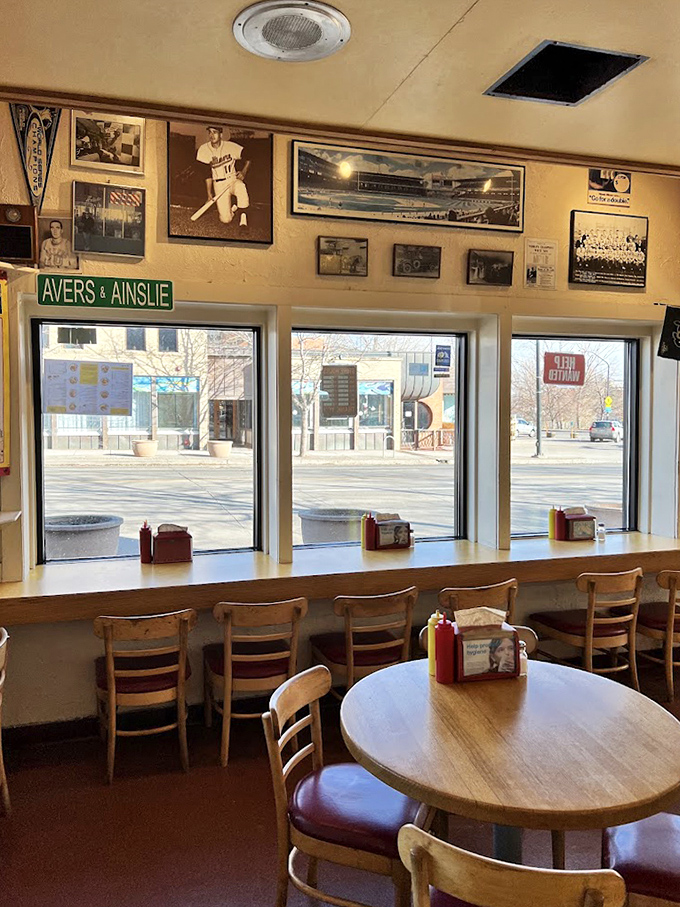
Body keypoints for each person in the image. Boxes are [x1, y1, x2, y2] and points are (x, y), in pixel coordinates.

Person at [196, 125, 250, 227]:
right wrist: (209, 194)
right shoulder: (203, 150)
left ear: (221, 134)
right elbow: (206, 174)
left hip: (232, 179)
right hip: (218, 184)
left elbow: (250, 155)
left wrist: (244, 172)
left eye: (215, 132)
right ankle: (234, 208)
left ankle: (243, 219)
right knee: (226, 220)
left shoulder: (230, 146)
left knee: (241, 187)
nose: (212, 135)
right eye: (210, 132)